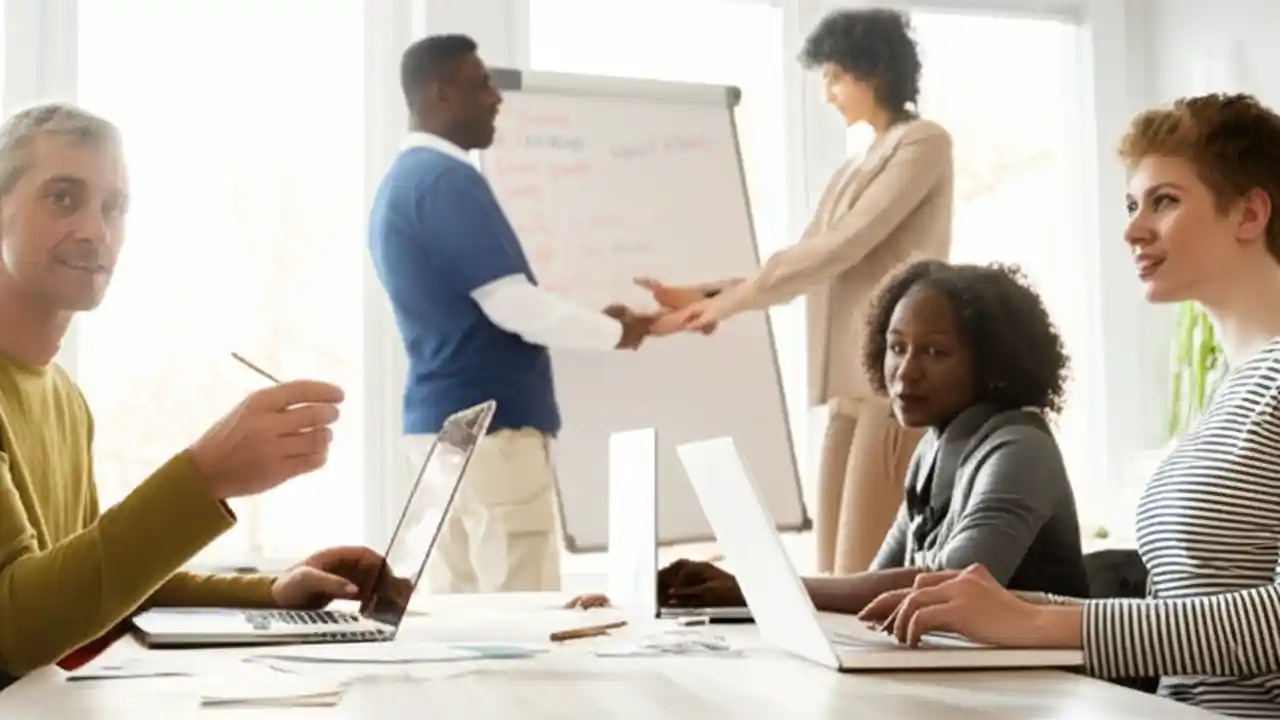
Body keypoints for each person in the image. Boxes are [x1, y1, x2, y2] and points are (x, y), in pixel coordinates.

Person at [863, 93, 1280, 718]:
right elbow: (1178, 621)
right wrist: (1025, 610)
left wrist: (1037, 625)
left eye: (1165, 201)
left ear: (1249, 213)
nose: (1133, 229)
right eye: (1132, 204)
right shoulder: (1235, 386)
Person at [0, 103, 388, 682]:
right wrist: (204, 477)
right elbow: (17, 628)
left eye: (115, 207)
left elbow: (92, 586)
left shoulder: (64, 397)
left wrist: (275, 591)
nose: (95, 230)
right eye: (62, 198)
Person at [576, 261, 1089, 612]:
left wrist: (762, 589)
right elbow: (871, 584)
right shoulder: (935, 447)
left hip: (1043, 691)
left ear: (993, 363)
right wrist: (736, 593)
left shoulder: (1019, 447)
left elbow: (947, 585)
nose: (904, 374)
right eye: (896, 348)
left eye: (934, 353)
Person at [641, 8, 953, 574]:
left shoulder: (923, 143)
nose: (829, 93)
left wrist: (727, 303)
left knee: (861, 578)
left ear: (873, 72)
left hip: (893, 388)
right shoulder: (853, 166)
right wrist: (706, 295)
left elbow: (843, 248)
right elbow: (812, 256)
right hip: (845, 388)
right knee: (829, 574)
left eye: (835, 76)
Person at [368, 35, 664, 595]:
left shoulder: (398, 187)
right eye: (480, 83)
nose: (495, 97)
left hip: (439, 423)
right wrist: (616, 332)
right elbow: (513, 306)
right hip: (492, 431)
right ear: (440, 93)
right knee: (519, 605)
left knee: (458, 605)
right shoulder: (447, 180)